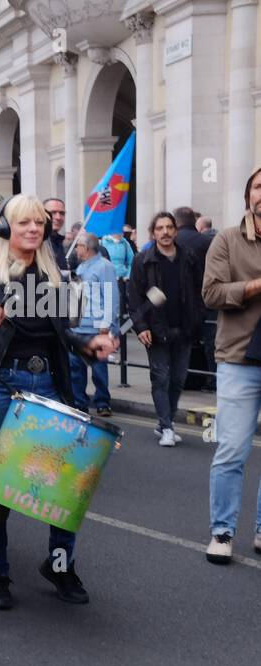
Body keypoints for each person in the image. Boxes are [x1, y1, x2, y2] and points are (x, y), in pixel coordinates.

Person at [0, 195, 117, 611]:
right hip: (2, 386)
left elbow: (65, 338)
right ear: (4, 228)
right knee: (1, 492)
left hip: (50, 386)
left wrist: (89, 345)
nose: (34, 229)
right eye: (24, 222)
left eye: (39, 223)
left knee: (63, 490)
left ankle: (59, 566)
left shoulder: (56, 278)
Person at [200, 165, 261, 563]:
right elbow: (211, 292)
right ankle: (222, 532)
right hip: (240, 358)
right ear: (248, 196)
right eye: (259, 186)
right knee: (232, 450)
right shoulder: (227, 239)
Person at [129, 212, 205, 445]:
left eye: (169, 227)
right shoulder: (143, 260)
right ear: (153, 233)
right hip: (156, 330)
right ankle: (168, 427)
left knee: (178, 379)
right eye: (160, 228)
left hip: (184, 330)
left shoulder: (188, 257)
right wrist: (140, 327)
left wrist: (197, 319)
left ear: (175, 230)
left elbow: (200, 290)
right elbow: (133, 297)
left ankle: (165, 423)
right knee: (161, 378)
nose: (165, 232)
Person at [69, 232, 119, 417]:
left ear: (86, 248)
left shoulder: (104, 266)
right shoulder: (81, 267)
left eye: (78, 246)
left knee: (99, 369)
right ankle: (79, 404)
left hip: (96, 328)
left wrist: (106, 325)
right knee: (76, 370)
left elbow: (111, 297)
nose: (76, 250)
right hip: (78, 327)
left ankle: (102, 402)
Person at [175, 206, 219, 391]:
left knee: (183, 341)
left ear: (177, 222)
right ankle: (213, 380)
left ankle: (183, 378)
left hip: (181, 301)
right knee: (211, 342)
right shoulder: (208, 241)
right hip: (207, 298)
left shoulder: (173, 241)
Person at [43, 198, 67, 267]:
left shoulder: (62, 242)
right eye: (53, 213)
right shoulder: (34, 241)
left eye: (62, 213)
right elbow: (29, 272)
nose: (58, 217)